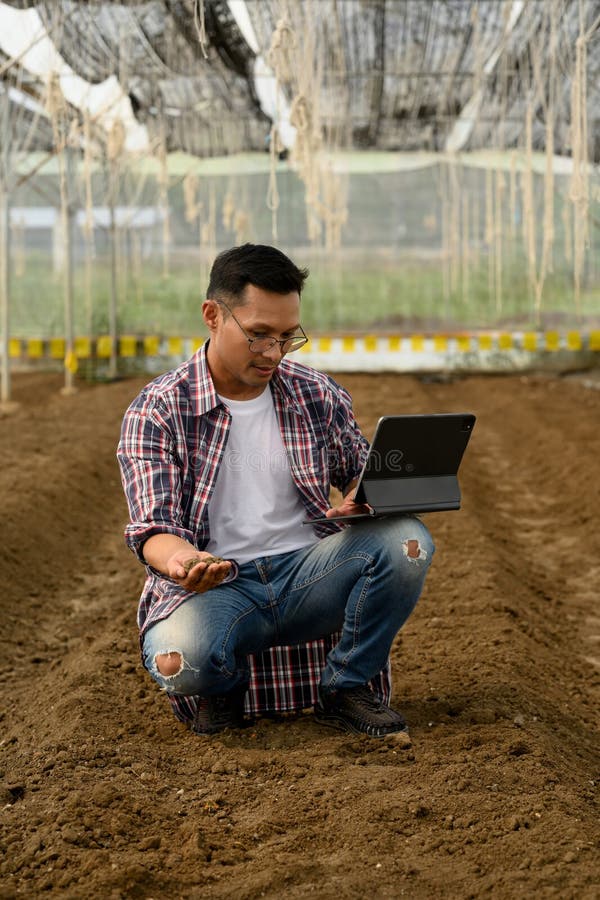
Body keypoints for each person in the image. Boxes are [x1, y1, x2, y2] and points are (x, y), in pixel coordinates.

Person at [117, 244, 434, 739]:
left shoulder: (315, 393)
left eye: (288, 337)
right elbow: (152, 528)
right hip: (222, 584)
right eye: (259, 335)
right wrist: (186, 563)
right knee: (179, 660)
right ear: (212, 316)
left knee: (407, 542)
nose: (274, 352)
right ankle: (223, 688)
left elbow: (357, 469)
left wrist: (361, 497)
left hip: (309, 574)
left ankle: (346, 686)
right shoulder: (158, 412)